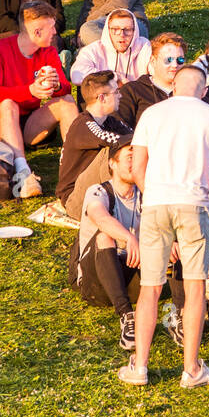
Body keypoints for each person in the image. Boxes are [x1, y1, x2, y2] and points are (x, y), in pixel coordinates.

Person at [123, 65, 209, 388]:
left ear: (173, 85)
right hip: (194, 204)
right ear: (202, 90)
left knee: (150, 288)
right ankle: (192, 369)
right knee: (195, 286)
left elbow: (138, 168)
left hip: (156, 204)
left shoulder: (152, 115)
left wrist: (153, 191)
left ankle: (139, 367)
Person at [0, 1, 78, 198]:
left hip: (25, 121)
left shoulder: (48, 51)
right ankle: (22, 173)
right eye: (52, 28)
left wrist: (56, 85)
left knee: (66, 101)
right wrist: (30, 91)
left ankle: (74, 167)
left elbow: (66, 87)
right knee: (8, 105)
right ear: (37, 32)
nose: (55, 33)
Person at [70, 137, 143, 352]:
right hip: (96, 283)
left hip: (131, 273)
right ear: (113, 163)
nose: (135, 163)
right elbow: (100, 217)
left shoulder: (146, 193)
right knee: (104, 236)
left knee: (170, 242)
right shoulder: (99, 191)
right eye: (130, 157)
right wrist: (129, 238)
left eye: (139, 158)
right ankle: (127, 316)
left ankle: (182, 312)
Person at [56, 70, 129, 209]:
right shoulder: (83, 124)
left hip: (94, 190)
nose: (120, 95)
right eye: (116, 92)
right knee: (113, 152)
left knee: (131, 147)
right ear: (102, 98)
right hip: (74, 199)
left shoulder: (110, 121)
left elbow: (134, 136)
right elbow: (114, 140)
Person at [118, 33, 187, 130]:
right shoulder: (132, 90)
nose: (175, 65)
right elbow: (119, 127)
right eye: (169, 60)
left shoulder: (191, 91)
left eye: (180, 60)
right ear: (153, 61)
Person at [70, 10, 151, 88]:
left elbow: (158, 70)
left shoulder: (143, 46)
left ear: (135, 31)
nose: (122, 34)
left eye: (128, 29)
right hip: (104, 98)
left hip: (136, 98)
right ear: (107, 30)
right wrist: (114, 77)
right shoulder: (93, 50)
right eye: (115, 29)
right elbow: (77, 75)